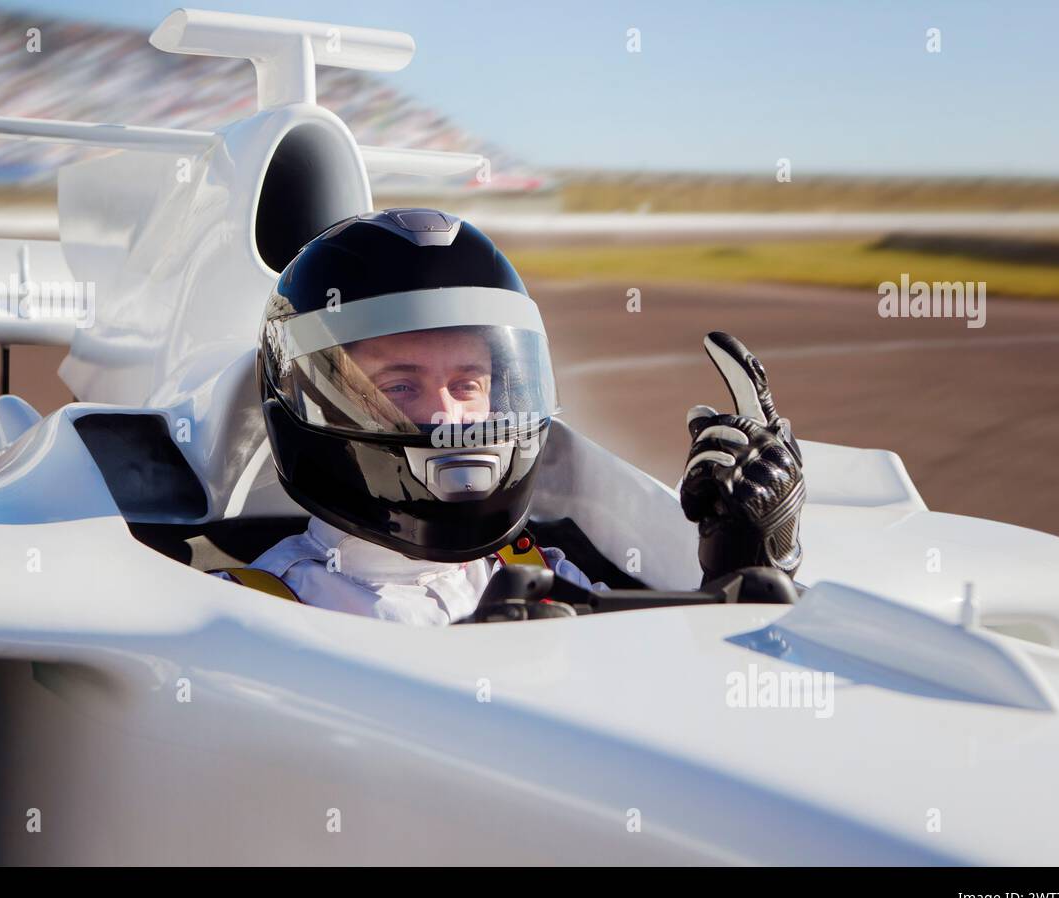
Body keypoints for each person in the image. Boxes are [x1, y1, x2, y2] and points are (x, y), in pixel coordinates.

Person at [215, 208, 804, 624]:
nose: (448, 417)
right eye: (398, 385)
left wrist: (749, 572)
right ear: (305, 404)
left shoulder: (535, 571)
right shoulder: (248, 614)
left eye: (468, 383)